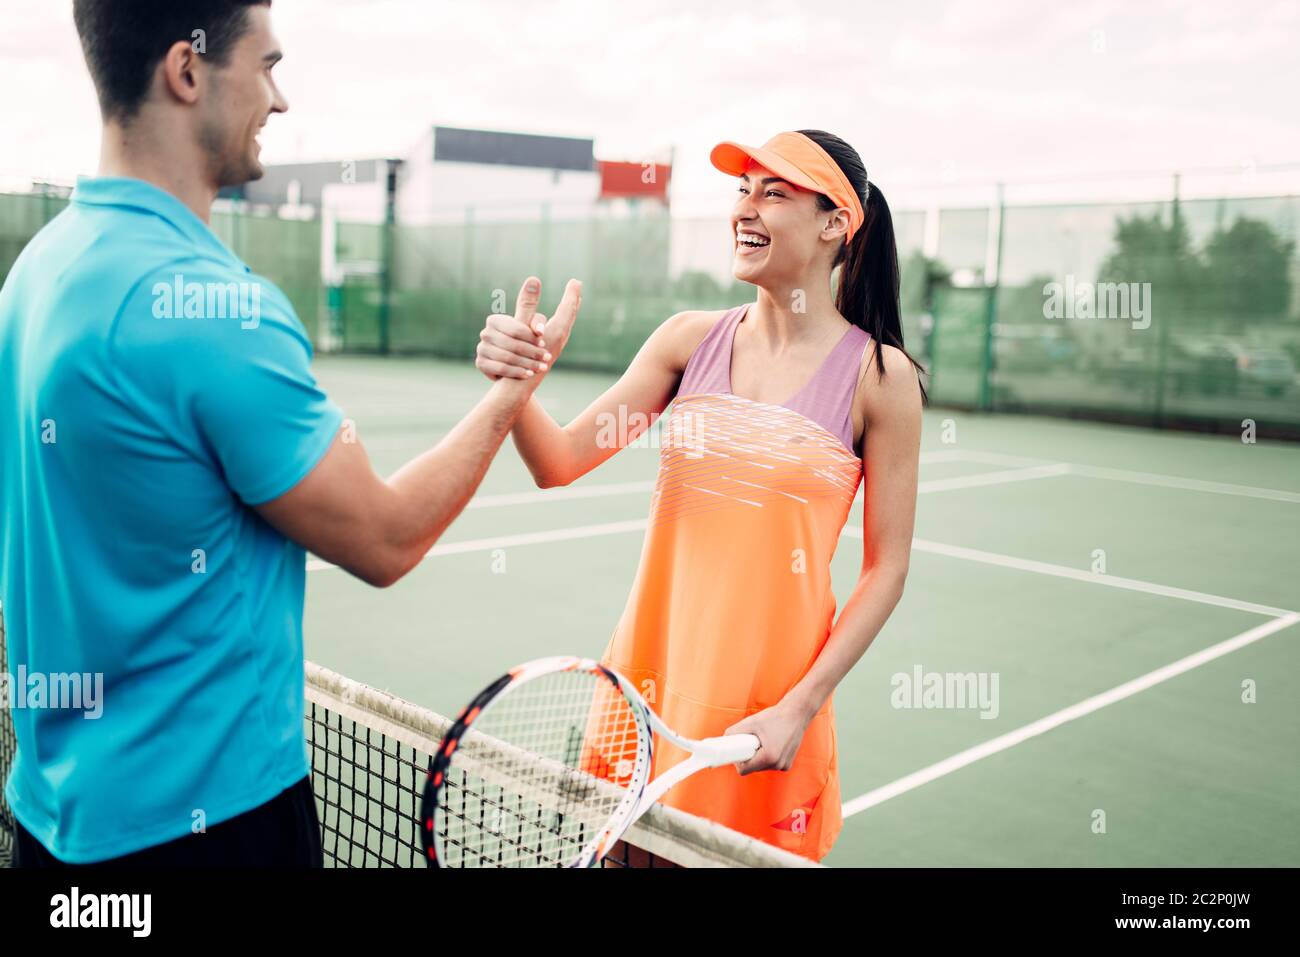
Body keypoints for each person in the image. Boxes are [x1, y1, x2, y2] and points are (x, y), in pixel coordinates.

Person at [0, 0, 579, 867]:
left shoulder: (35, 273)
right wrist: (511, 393)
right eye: (266, 65)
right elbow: (385, 538)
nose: (280, 99)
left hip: (50, 829)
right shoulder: (218, 311)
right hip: (208, 831)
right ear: (187, 71)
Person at [475, 130, 925, 861]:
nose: (745, 207)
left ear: (836, 223)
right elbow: (556, 461)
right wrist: (519, 383)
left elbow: (888, 568)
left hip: (767, 718)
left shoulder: (882, 378)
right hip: (642, 699)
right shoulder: (686, 342)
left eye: (773, 192)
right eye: (741, 189)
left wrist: (797, 708)